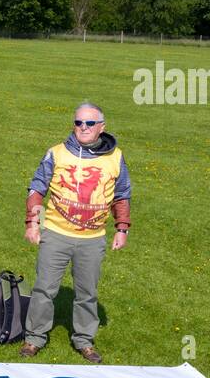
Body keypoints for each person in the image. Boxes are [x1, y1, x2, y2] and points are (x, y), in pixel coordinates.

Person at [19, 102, 131, 363]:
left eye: (90, 123)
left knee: (87, 292)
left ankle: (84, 340)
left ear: (102, 127)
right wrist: (33, 223)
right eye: (79, 122)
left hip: (92, 239)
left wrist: (122, 228)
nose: (83, 127)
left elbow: (122, 194)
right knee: (44, 289)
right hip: (56, 232)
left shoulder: (115, 157)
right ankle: (34, 338)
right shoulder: (57, 153)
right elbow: (36, 188)